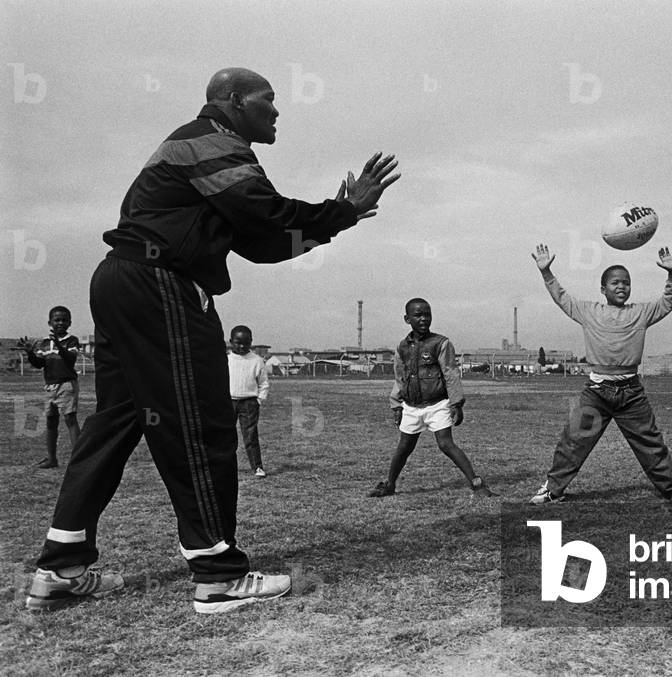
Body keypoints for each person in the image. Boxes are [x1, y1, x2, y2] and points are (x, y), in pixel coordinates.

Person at [25, 67, 400, 614]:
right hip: (162, 285)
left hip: (123, 282)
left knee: (114, 423)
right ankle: (218, 575)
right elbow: (269, 219)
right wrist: (342, 210)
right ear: (231, 99)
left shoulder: (199, 149)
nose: (276, 112)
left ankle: (61, 568)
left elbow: (262, 243)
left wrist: (339, 217)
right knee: (202, 425)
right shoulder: (213, 143)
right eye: (267, 100)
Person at [526, 244, 672, 507]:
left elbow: (668, 302)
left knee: (651, 444)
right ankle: (553, 489)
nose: (621, 286)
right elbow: (561, 297)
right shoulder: (588, 311)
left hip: (631, 393)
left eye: (626, 283)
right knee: (574, 441)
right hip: (597, 392)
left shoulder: (640, 312)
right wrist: (546, 272)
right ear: (603, 289)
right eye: (615, 282)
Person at [368, 298, 496, 498]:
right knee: (404, 447)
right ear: (407, 318)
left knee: (446, 444)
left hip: (437, 404)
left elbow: (450, 373)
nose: (423, 319)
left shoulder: (441, 343)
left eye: (427, 314)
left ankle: (477, 484)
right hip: (412, 406)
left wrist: (456, 403)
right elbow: (399, 377)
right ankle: (390, 485)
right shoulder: (402, 347)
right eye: (418, 315)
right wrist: (396, 406)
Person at [17, 306, 81, 469]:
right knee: (51, 421)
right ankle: (52, 459)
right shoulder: (44, 343)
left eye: (64, 320)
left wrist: (59, 346)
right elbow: (39, 364)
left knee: (70, 419)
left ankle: (80, 459)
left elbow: (70, 359)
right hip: (50, 387)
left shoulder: (72, 340)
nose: (60, 323)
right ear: (50, 322)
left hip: (66, 385)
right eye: (57, 320)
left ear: (70, 322)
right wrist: (30, 353)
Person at [227, 326, 270, 477]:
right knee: (225, 435)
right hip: (228, 402)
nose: (242, 346)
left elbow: (264, 383)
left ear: (251, 342)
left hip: (249, 403)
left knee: (250, 436)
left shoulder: (257, 361)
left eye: (246, 342)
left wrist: (259, 400)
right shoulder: (225, 360)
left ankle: (257, 467)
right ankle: (224, 466)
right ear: (231, 341)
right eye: (238, 342)